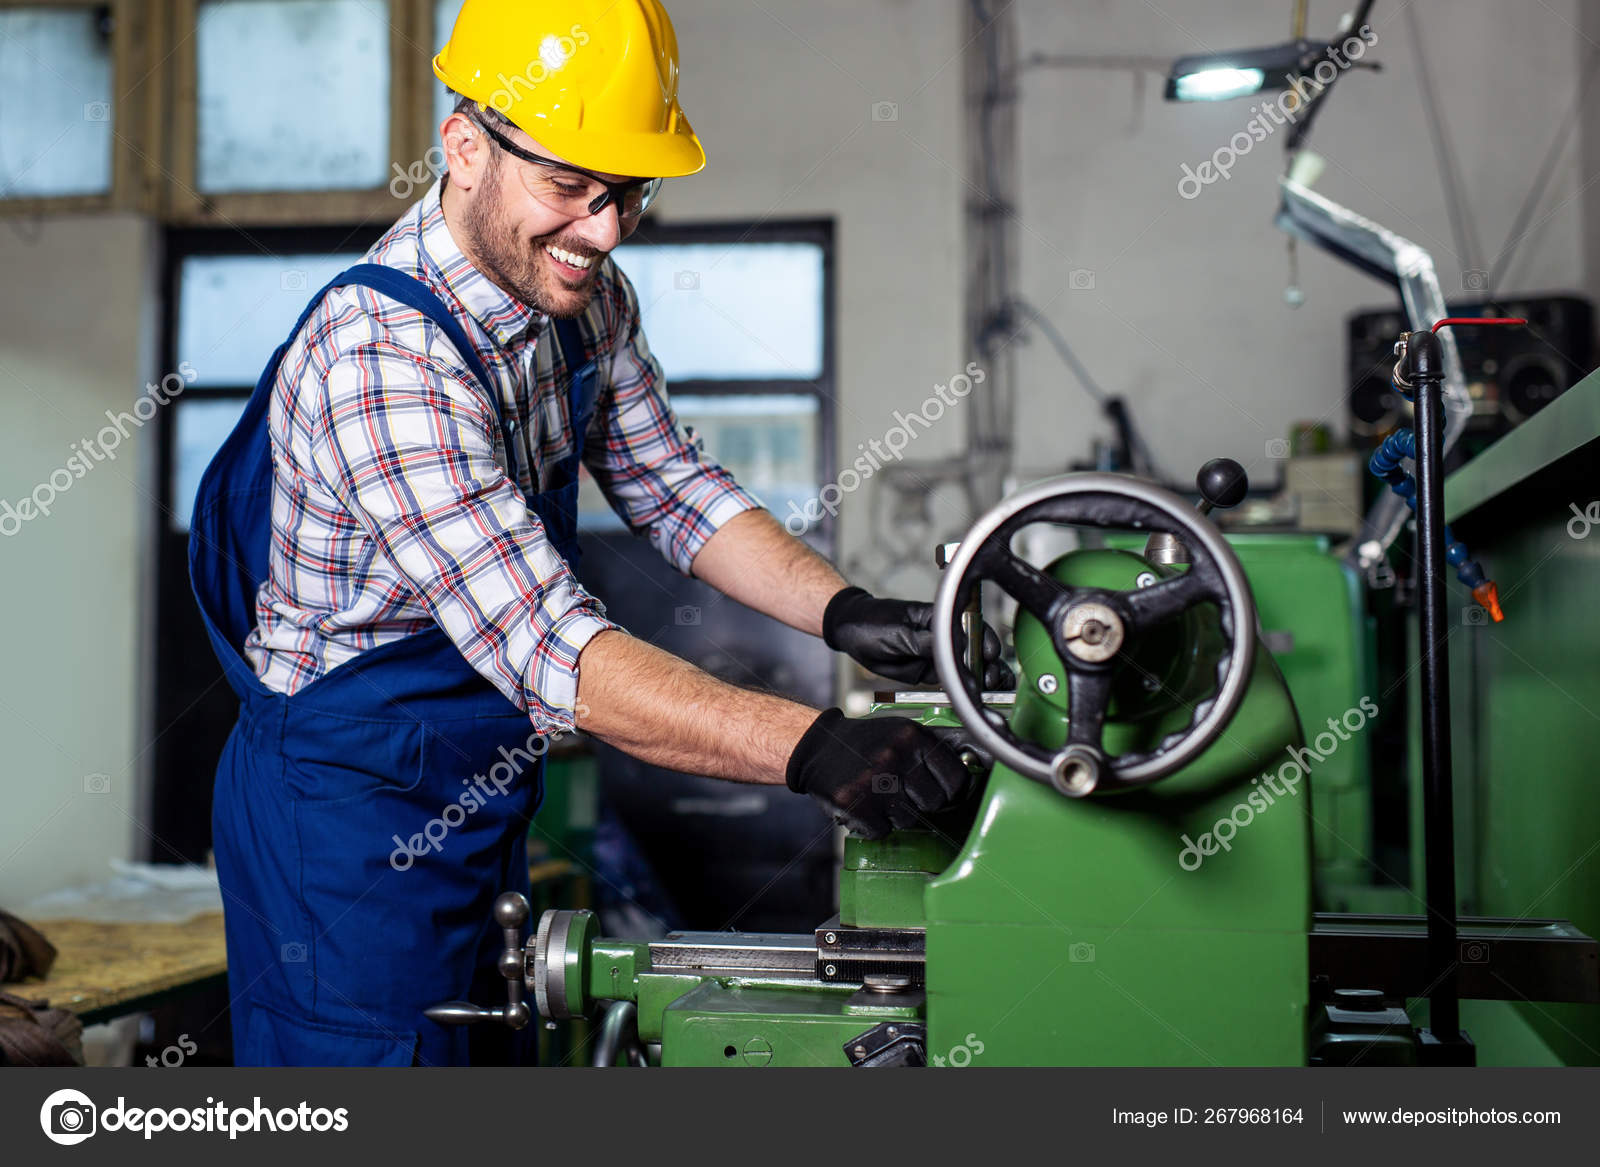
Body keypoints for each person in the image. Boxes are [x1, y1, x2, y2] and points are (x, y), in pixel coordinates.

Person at [188, 0, 1008, 1066]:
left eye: (627, 192)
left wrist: (849, 614)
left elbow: (670, 486)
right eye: (568, 187)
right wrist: (815, 745)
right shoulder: (381, 359)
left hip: (473, 778)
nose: (604, 229)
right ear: (466, 148)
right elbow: (553, 652)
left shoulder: (583, 296)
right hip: (343, 813)